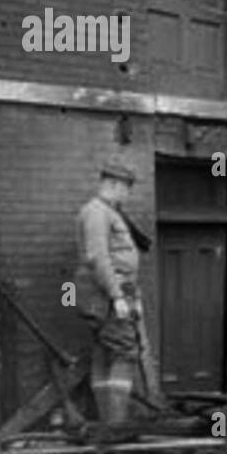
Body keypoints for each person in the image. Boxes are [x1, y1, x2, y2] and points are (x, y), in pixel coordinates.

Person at [75, 155, 149, 426]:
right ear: (115, 184)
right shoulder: (97, 212)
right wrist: (117, 296)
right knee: (124, 350)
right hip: (105, 296)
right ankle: (115, 424)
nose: (127, 195)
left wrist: (132, 296)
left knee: (105, 351)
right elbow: (98, 256)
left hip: (110, 294)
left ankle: (108, 421)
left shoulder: (107, 212)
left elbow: (118, 260)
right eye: (127, 188)